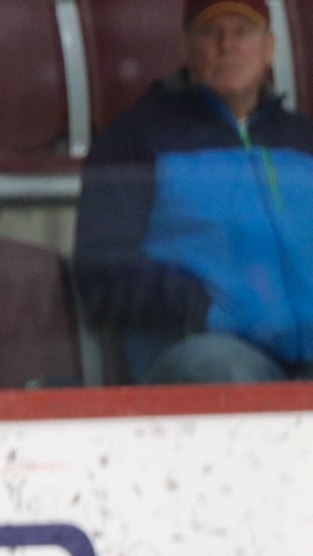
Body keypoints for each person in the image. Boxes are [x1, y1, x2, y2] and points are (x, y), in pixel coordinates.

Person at [75, 0, 313, 384]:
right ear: (185, 49)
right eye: (210, 32)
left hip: (304, 349)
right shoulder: (134, 137)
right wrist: (203, 309)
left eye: (242, 31)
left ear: (268, 48)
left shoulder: (303, 141)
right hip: (196, 346)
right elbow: (100, 268)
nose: (227, 45)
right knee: (231, 376)